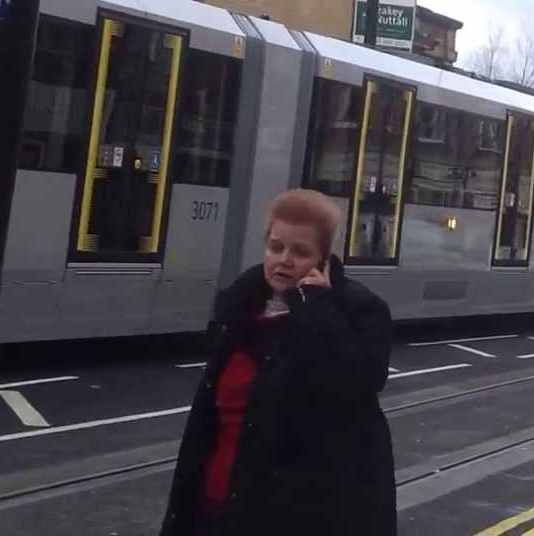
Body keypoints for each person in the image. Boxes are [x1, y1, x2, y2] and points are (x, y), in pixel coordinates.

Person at [161, 189, 396, 535]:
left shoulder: (358, 313)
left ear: (324, 259)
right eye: (275, 247)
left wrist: (315, 307)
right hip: (213, 509)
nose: (283, 259)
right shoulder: (243, 307)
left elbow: (355, 390)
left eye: (300, 251)